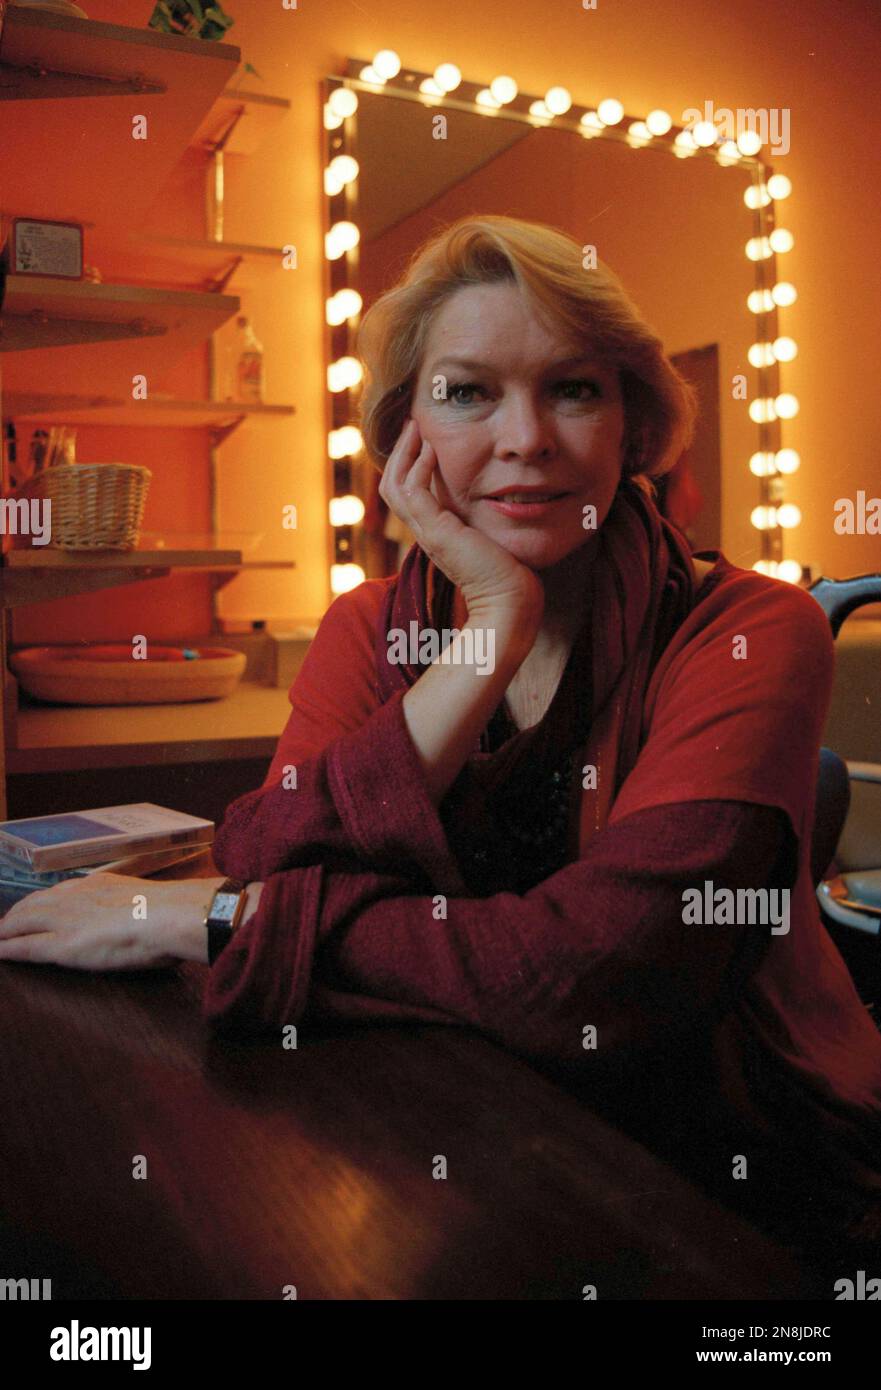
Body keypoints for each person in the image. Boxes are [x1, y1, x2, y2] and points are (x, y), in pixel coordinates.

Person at [2, 216, 880, 1286]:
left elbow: (593, 974)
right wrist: (489, 628)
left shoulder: (750, 628)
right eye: (467, 391)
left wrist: (232, 920)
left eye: (572, 389)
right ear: (404, 432)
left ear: (631, 430)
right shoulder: (369, 627)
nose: (524, 439)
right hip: (454, 1118)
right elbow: (270, 848)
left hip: (733, 1155)